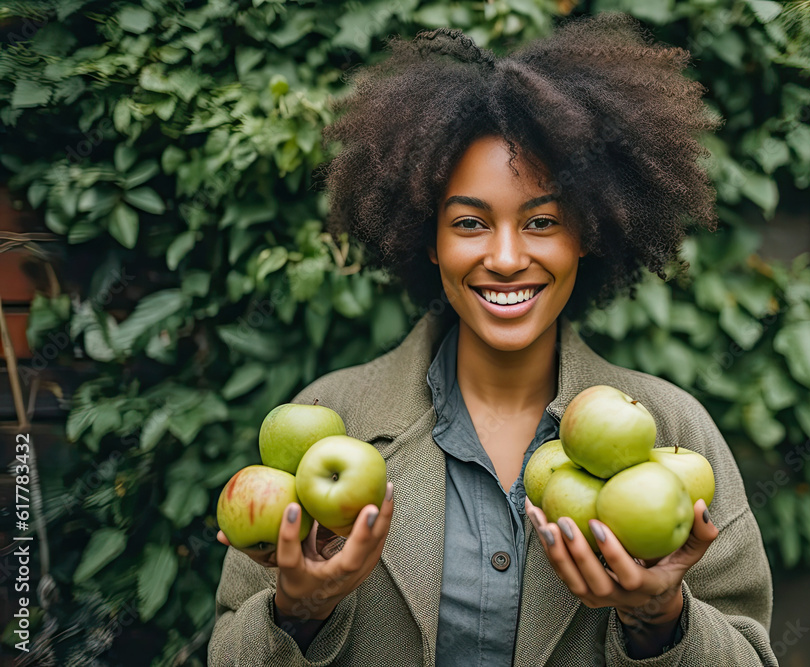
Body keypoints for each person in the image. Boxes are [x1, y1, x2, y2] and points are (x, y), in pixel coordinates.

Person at [208, 12, 778, 666]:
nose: (506, 257)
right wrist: (299, 612)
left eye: (541, 221)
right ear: (430, 239)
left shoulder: (675, 429)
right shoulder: (330, 422)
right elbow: (228, 652)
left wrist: (659, 619)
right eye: (471, 222)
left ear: (587, 234)